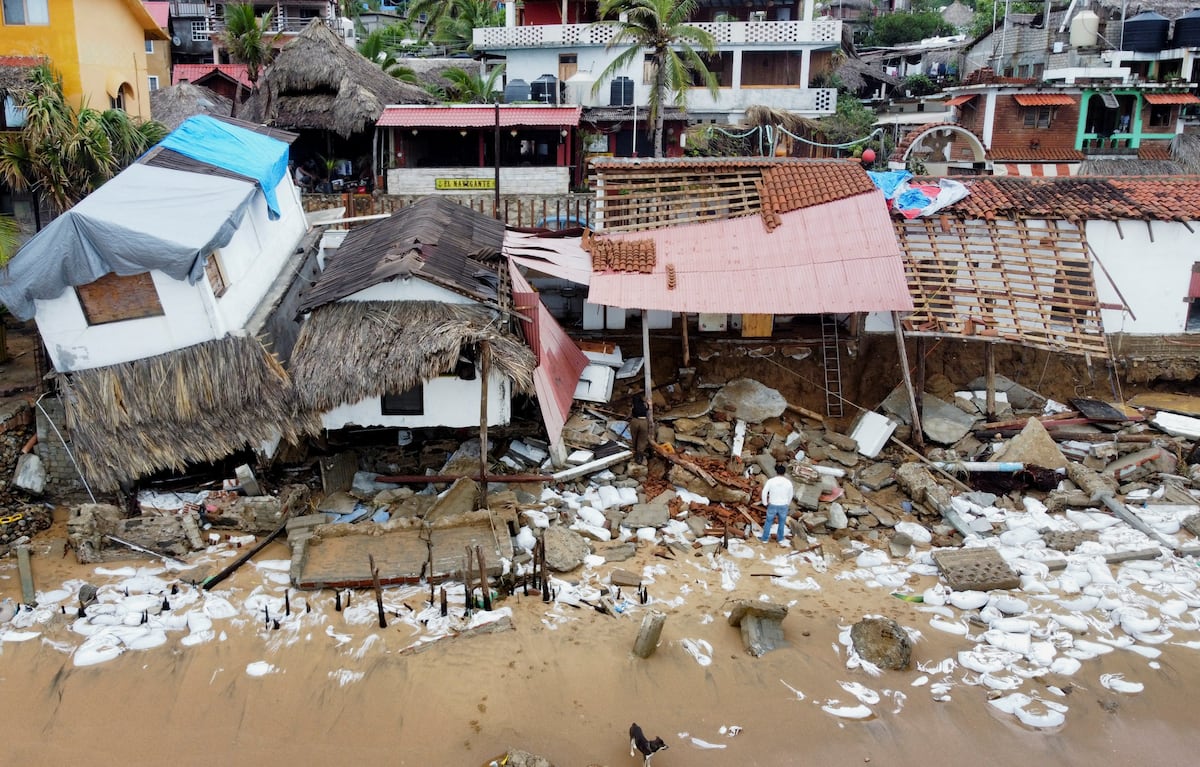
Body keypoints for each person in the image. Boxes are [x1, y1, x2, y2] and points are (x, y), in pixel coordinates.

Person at [760, 464, 794, 545]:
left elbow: (764, 492)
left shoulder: (771, 481)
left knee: (768, 521)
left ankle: (764, 538)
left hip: (773, 504)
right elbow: (791, 494)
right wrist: (788, 503)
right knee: (782, 522)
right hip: (783, 505)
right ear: (784, 472)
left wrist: (765, 502)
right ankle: (780, 539)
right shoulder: (788, 482)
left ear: (776, 472)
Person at [629, 395, 650, 461]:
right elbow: (647, 409)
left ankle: (634, 450)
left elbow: (631, 413)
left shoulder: (634, 405)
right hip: (644, 421)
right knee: (642, 439)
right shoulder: (644, 405)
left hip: (635, 421)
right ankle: (639, 455)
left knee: (634, 436)